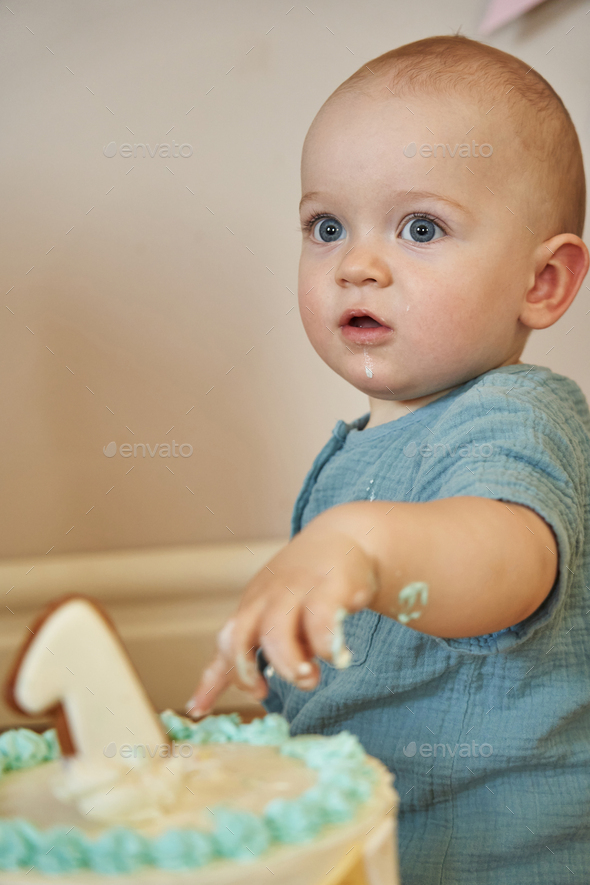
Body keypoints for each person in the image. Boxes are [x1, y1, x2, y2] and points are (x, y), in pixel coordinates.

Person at [188, 35, 590, 884]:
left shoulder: (517, 415)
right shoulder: (357, 453)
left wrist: (358, 547)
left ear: (543, 283)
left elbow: (508, 563)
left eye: (420, 227)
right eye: (326, 227)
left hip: (495, 860)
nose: (356, 266)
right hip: (366, 845)